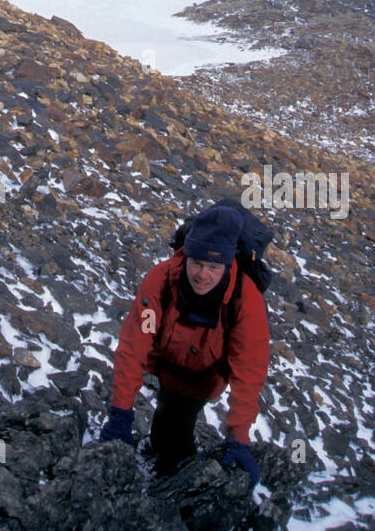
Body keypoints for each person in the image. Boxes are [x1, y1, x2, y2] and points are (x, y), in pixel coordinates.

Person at [99, 201, 269, 484]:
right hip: (167, 359)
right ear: (185, 255)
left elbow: (248, 373)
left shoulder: (246, 300)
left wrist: (238, 439)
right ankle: (162, 454)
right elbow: (134, 347)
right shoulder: (161, 280)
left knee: (175, 435)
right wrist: (120, 414)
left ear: (227, 265)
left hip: (205, 374)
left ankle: (174, 467)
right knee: (164, 429)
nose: (203, 275)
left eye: (213, 266)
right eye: (197, 263)